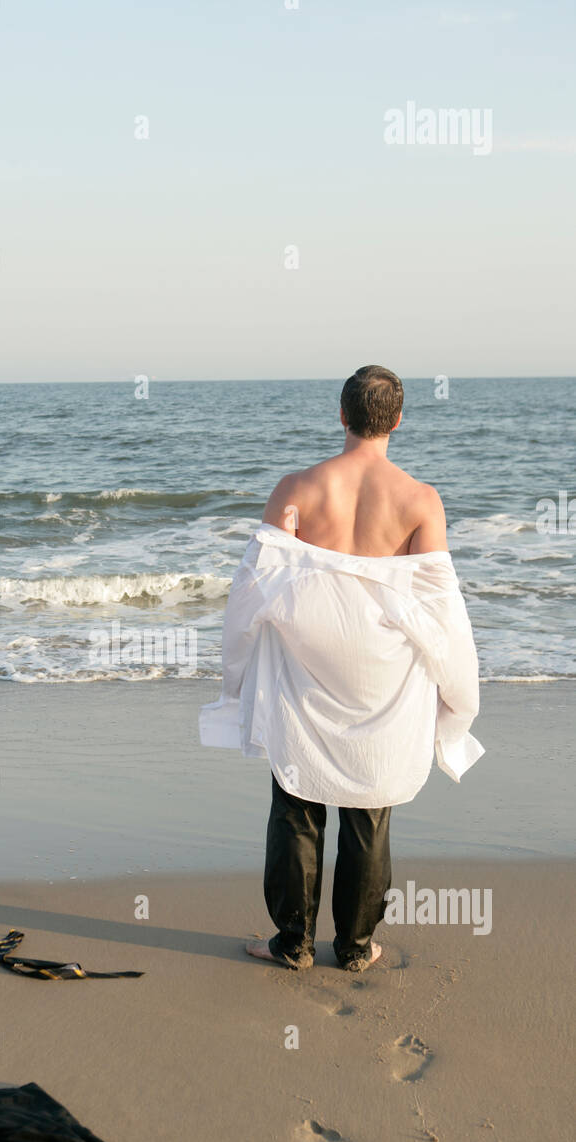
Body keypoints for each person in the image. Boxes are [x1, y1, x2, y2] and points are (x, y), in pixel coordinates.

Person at [199, 366, 484, 972]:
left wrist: (235, 677)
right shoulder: (419, 500)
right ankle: (355, 946)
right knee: (371, 802)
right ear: (399, 420)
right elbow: (441, 610)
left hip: (306, 663)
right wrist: (457, 695)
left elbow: (251, 593)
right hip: (382, 670)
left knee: (296, 798)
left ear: (341, 413)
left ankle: (293, 943)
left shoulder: (296, 489)